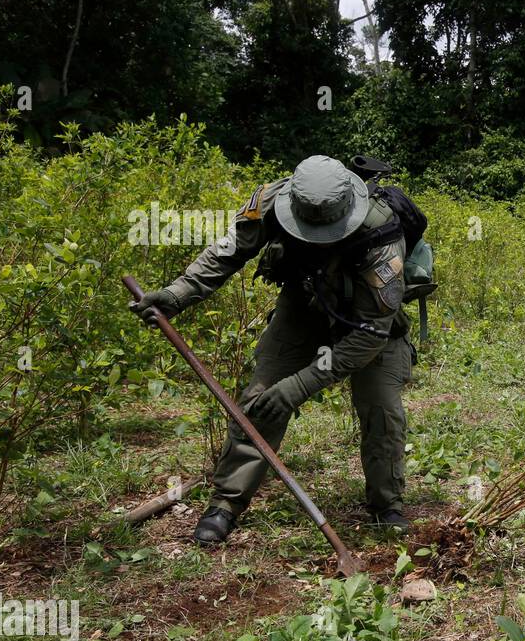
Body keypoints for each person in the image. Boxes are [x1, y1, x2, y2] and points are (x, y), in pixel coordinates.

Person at [129, 155, 415, 544]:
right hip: (304, 304)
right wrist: (177, 294)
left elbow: (370, 332)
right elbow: (225, 253)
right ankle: (226, 503)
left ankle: (387, 505)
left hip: (367, 322)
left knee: (381, 406)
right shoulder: (269, 202)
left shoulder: (381, 234)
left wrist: (299, 387)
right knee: (260, 398)